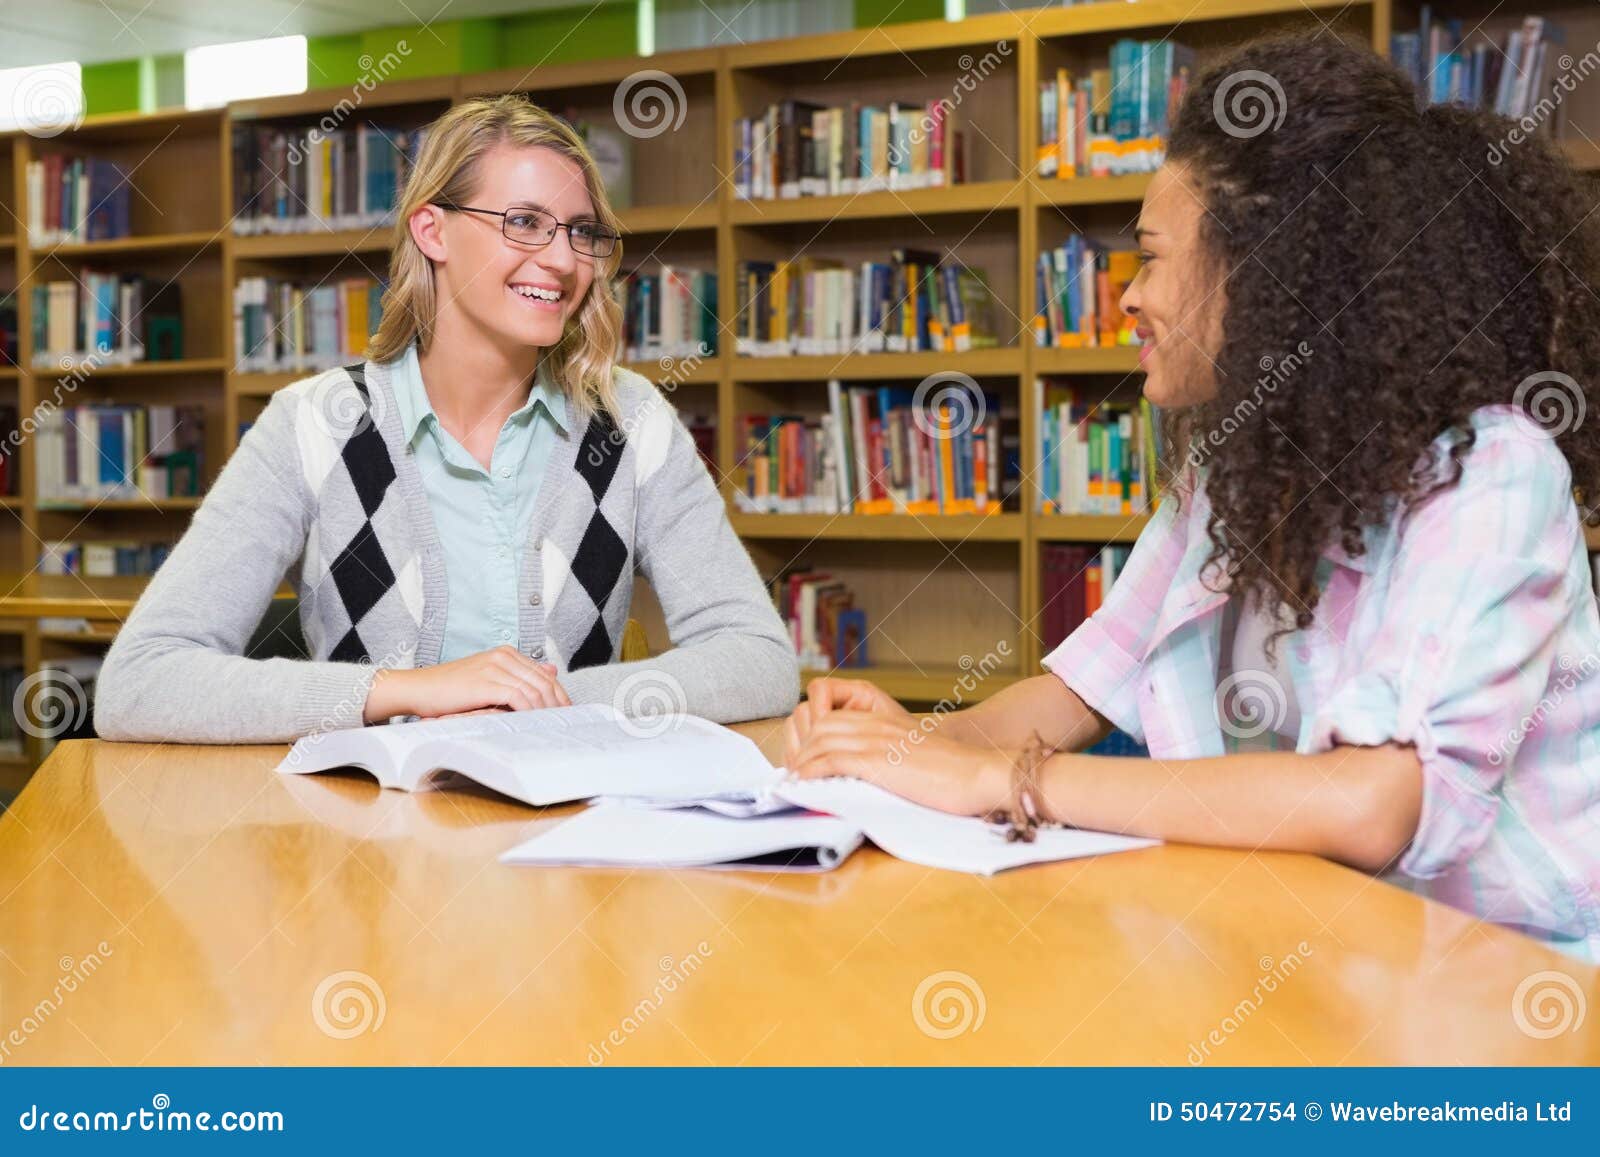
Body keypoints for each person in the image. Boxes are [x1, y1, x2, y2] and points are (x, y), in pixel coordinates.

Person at [785, 33, 1600, 961]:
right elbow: (1078, 691)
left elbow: (1372, 803)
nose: (1128, 298)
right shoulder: (1231, 467)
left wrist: (1004, 780)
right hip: (1302, 948)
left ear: (1269, 273)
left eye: (1153, 258)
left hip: (1505, 980)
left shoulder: (1494, 474)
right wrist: (911, 740)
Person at [95, 95, 799, 743]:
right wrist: (412, 691)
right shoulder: (314, 425)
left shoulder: (632, 420)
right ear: (432, 229)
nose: (561, 260)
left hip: (571, 842)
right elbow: (139, 681)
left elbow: (760, 659)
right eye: (524, 222)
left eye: (580, 231)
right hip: (366, 846)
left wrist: (551, 699)